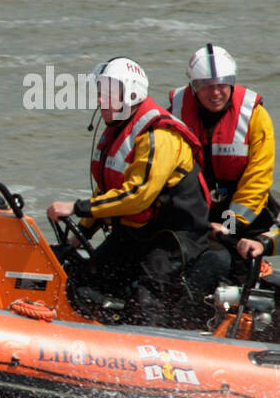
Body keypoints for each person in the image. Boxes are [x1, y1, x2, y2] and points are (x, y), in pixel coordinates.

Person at [47, 57, 216, 327]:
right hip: (137, 231)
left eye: (109, 93)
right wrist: (79, 237)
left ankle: (152, 354)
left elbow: (138, 195)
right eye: (100, 93)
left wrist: (77, 207)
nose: (101, 100)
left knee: (147, 296)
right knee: (84, 278)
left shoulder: (159, 135)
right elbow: (109, 191)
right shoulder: (120, 130)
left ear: (131, 94)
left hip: (175, 235)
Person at [168, 44, 275, 244]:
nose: (215, 92)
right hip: (193, 209)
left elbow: (258, 178)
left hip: (240, 213)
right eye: (206, 85)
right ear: (193, 86)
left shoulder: (255, 116)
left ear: (232, 83)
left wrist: (229, 226)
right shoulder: (176, 113)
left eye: (222, 84)